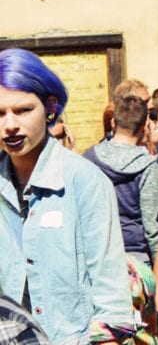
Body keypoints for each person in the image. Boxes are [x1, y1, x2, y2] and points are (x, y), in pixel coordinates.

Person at [0, 48, 135, 343]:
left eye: (23, 110)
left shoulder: (85, 182)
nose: (10, 124)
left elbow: (111, 295)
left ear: (50, 108)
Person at [83, 95, 158, 267]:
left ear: (113, 123)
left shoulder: (88, 158)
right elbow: (152, 227)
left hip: (96, 254)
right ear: (144, 127)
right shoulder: (147, 166)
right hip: (136, 258)